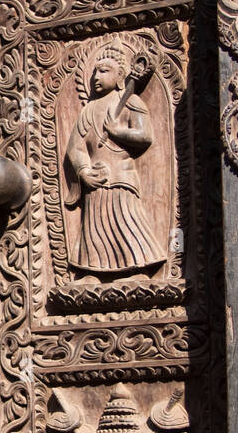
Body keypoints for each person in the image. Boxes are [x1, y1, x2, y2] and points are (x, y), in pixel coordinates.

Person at [65, 48, 164, 278]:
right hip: (96, 178)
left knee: (126, 220)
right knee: (95, 227)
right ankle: (93, 272)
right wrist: (83, 170)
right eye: (95, 72)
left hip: (121, 175)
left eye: (104, 71)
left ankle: (137, 268)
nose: (96, 77)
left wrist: (117, 131)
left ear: (121, 76)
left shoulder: (131, 101)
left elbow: (145, 135)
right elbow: (76, 147)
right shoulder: (88, 110)